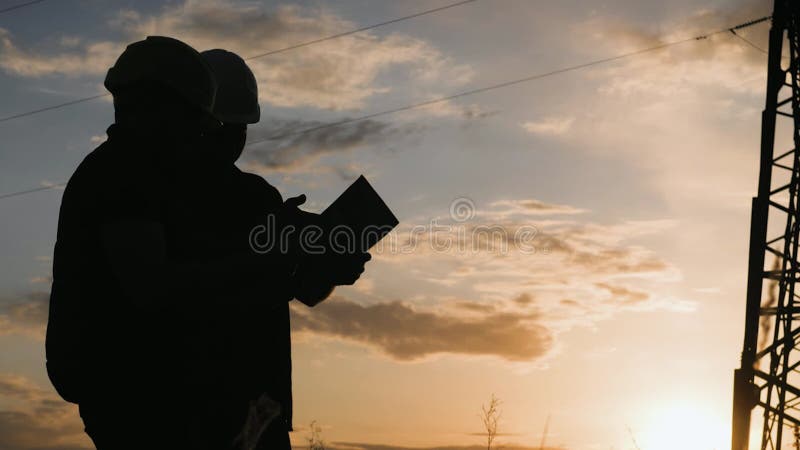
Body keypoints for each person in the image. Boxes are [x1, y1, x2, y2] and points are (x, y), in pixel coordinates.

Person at [45, 37, 368, 450]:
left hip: (248, 406)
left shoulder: (254, 198)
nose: (229, 139)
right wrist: (271, 258)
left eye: (238, 130)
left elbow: (299, 286)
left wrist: (322, 263)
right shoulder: (137, 180)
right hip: (168, 407)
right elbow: (159, 290)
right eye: (216, 126)